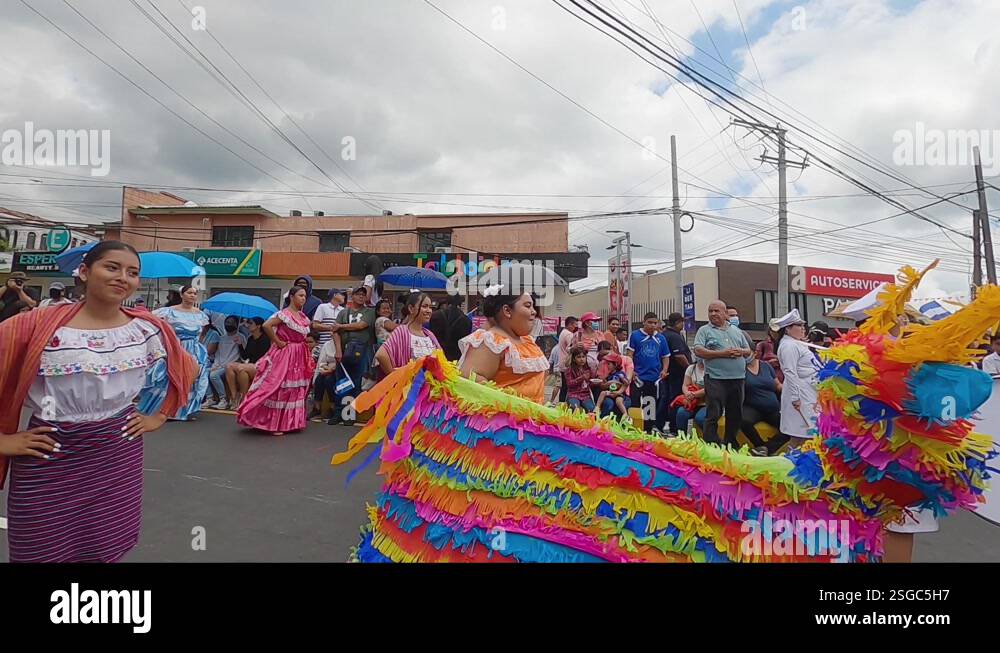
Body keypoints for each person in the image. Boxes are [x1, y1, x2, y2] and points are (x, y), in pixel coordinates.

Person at [0, 240, 197, 563]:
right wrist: (3, 441)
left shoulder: (145, 328)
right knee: (39, 548)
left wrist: (159, 416)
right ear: (84, 272)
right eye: (112, 267)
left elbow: (187, 366)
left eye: (132, 272)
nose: (123, 277)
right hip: (48, 451)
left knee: (102, 544)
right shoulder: (36, 325)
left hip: (117, 451)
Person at [237, 286, 316, 436]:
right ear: (291, 297)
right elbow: (267, 325)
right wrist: (277, 341)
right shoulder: (284, 314)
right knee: (279, 385)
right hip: (285, 353)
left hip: (299, 354)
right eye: (300, 295)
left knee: (295, 388)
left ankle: (291, 422)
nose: (303, 298)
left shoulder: (303, 317)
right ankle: (272, 423)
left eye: (304, 296)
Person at [459, 288, 548, 404]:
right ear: (507, 311)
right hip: (504, 420)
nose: (534, 312)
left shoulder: (527, 340)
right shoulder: (492, 341)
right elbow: (469, 380)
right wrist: (508, 404)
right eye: (527, 306)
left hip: (533, 419)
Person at [138, 284, 211, 421]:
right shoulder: (169, 311)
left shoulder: (200, 314)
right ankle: (165, 409)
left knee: (191, 379)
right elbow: (155, 325)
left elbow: (202, 334)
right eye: (189, 293)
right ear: (182, 295)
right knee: (171, 378)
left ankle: (183, 410)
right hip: (176, 348)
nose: (192, 295)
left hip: (194, 350)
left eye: (195, 293)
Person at [693, 300, 753, 448]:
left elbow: (748, 351)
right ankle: (711, 443)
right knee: (714, 413)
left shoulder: (736, 331)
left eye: (716, 311)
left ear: (725, 314)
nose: (713, 314)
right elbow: (698, 350)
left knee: (735, 414)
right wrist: (722, 353)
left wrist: (741, 351)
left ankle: (730, 442)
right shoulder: (704, 330)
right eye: (710, 311)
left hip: (738, 379)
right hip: (716, 379)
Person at [330, 287, 376, 427]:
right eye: (358, 294)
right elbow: (335, 332)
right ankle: (338, 412)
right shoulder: (343, 312)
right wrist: (338, 350)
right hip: (344, 350)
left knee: (356, 382)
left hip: (361, 351)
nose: (361, 297)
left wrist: (341, 326)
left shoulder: (369, 312)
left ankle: (349, 414)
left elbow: (361, 325)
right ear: (352, 296)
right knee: (342, 382)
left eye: (363, 294)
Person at [774, 308, 820, 447]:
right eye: (799, 325)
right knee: (801, 437)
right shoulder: (788, 346)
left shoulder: (797, 344)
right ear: (788, 329)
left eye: (803, 325)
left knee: (807, 436)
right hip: (800, 394)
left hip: (809, 392)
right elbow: (790, 372)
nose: (803, 329)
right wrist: (795, 397)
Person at [375, 292, 440, 376]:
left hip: (431, 386)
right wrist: (395, 377)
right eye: (424, 306)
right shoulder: (401, 331)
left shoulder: (429, 335)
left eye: (430, 307)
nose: (429, 311)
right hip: (409, 386)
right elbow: (381, 355)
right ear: (411, 308)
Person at [627, 312, 670, 433]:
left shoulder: (661, 338)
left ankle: (648, 429)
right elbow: (629, 354)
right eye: (650, 322)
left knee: (650, 403)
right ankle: (635, 428)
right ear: (644, 322)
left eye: (655, 323)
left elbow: (666, 356)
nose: (652, 325)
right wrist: (631, 371)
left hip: (654, 377)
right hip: (637, 377)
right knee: (635, 402)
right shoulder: (635, 335)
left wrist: (664, 370)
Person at [741, 353, 789, 456]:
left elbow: (777, 385)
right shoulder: (740, 368)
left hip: (772, 409)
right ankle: (759, 446)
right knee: (743, 421)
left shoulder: (766, 366)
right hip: (752, 408)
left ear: (754, 353)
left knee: (789, 428)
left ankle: (767, 448)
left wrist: (790, 390)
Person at [225, 316, 270, 409]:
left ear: (258, 326)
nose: (247, 325)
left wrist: (248, 364)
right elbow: (245, 355)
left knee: (241, 368)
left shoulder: (265, 339)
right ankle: (235, 397)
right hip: (250, 365)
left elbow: (262, 356)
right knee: (229, 366)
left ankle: (244, 398)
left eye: (250, 323)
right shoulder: (250, 339)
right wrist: (240, 344)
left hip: (261, 365)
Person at [204, 315, 246, 410]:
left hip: (230, 365)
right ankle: (209, 397)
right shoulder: (222, 338)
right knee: (204, 372)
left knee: (213, 375)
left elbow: (240, 355)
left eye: (231, 323)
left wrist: (240, 344)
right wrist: (216, 365)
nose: (228, 325)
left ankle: (224, 399)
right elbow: (218, 354)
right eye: (227, 322)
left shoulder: (241, 337)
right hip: (219, 365)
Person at [661, 312, 692, 433]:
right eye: (682, 322)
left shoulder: (665, 334)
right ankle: (674, 427)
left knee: (667, 398)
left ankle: (666, 424)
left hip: (669, 374)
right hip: (677, 374)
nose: (683, 324)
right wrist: (690, 369)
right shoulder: (674, 336)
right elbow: (679, 356)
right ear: (677, 323)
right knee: (675, 400)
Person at [430, 295, 473, 362]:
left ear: (447, 302)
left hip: (436, 356)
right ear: (461, 303)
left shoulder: (435, 315)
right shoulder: (466, 321)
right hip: (456, 360)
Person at [672, 360, 707, 436]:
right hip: (692, 402)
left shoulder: (713, 369)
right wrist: (687, 393)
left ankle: (708, 439)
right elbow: (685, 385)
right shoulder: (691, 368)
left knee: (700, 418)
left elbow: (709, 388)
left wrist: (694, 394)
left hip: (707, 403)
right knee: (681, 413)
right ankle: (683, 438)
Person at [595, 352, 631, 421]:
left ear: (615, 364)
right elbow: (604, 385)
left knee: (619, 401)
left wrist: (622, 380)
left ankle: (625, 414)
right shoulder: (609, 374)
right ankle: (597, 408)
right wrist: (603, 381)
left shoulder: (620, 374)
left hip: (619, 394)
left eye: (609, 364)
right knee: (603, 393)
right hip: (610, 392)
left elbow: (626, 383)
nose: (607, 366)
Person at [563, 345, 596, 412]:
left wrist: (593, 382)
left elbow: (590, 383)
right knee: (575, 408)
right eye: (579, 357)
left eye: (583, 357)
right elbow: (569, 384)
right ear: (574, 359)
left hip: (586, 395)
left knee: (592, 409)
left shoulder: (588, 370)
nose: (581, 359)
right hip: (573, 395)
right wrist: (582, 378)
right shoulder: (569, 370)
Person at [555, 316, 579, 403]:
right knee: (567, 387)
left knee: (564, 386)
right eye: (575, 325)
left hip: (562, 362)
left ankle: (561, 403)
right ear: (570, 324)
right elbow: (570, 348)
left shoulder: (563, 332)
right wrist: (576, 346)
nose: (576, 327)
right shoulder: (569, 334)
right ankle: (564, 404)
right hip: (567, 363)